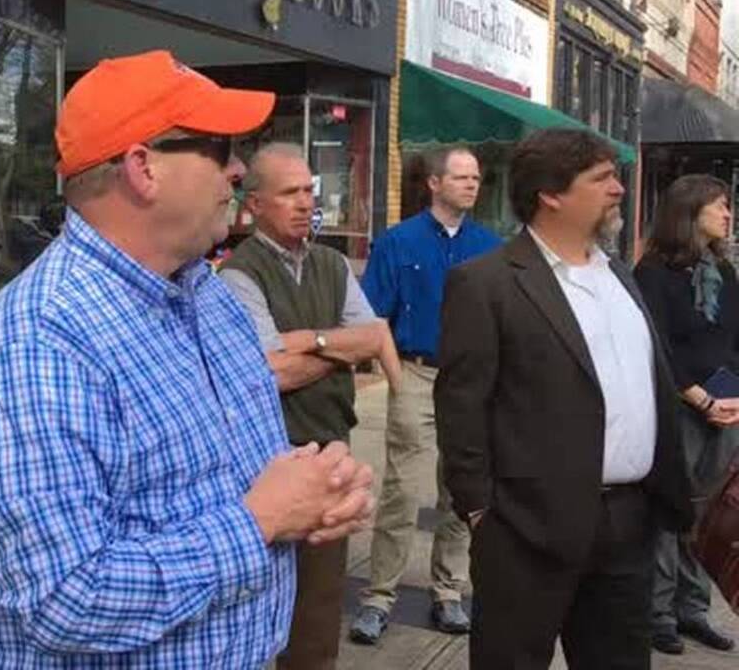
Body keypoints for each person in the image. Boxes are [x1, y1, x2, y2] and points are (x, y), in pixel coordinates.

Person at [0, 50, 376, 668]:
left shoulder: (207, 295)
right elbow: (64, 595)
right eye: (219, 147)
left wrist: (313, 489)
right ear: (142, 168)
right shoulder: (40, 341)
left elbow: (238, 476)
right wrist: (260, 522)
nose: (238, 168)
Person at [435, 128, 693, 669]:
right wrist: (482, 512)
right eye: (601, 179)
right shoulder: (486, 284)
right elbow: (463, 407)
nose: (619, 189)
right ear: (551, 194)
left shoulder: (621, 275)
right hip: (526, 530)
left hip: (629, 523)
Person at [220, 142, 400, 669]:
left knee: (320, 610)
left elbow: (372, 336)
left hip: (332, 453)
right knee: (265, 604)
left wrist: (308, 342)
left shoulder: (332, 262)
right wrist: (339, 348)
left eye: (308, 191)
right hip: (271, 460)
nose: (304, 203)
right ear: (254, 204)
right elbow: (269, 373)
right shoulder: (238, 274)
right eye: (289, 193)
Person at [350, 147, 500, 644]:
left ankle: (449, 591)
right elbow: (374, 320)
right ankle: (379, 596)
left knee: (461, 491)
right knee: (402, 490)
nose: (472, 185)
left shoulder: (490, 246)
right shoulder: (398, 241)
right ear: (434, 183)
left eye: (476, 177)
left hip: (471, 382)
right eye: (461, 177)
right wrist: (396, 380)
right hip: (415, 373)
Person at [635, 174, 739, 655]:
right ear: (691, 210)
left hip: (728, 409)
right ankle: (657, 613)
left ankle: (692, 608)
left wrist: (736, 399)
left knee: (708, 514)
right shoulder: (653, 272)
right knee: (670, 509)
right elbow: (654, 345)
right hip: (679, 406)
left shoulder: (725, 272)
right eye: (719, 206)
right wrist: (697, 397)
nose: (728, 214)